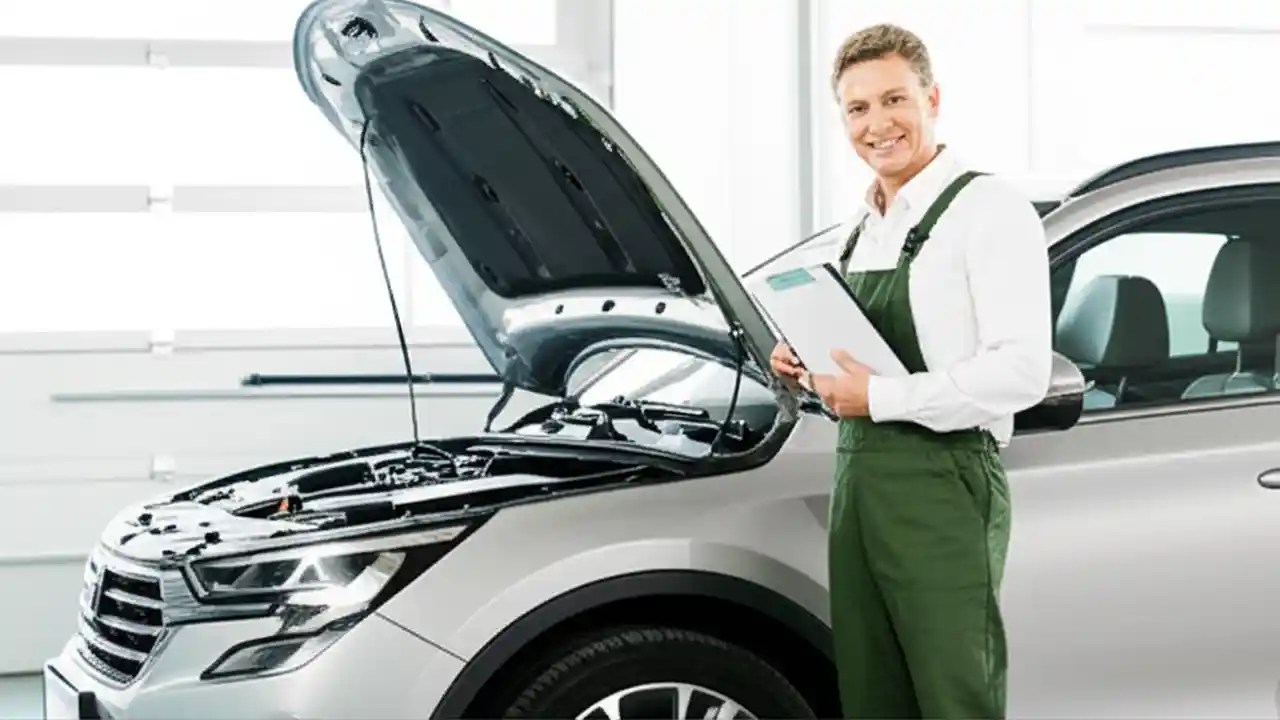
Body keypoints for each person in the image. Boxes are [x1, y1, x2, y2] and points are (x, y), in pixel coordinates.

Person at [770, 23, 1052, 720]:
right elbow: (857, 361)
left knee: (954, 695)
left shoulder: (989, 210)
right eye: (857, 109)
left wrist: (880, 395)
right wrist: (802, 364)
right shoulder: (860, 226)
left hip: (944, 481)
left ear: (932, 97)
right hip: (859, 476)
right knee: (872, 695)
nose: (877, 124)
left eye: (893, 100)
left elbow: (1022, 371)